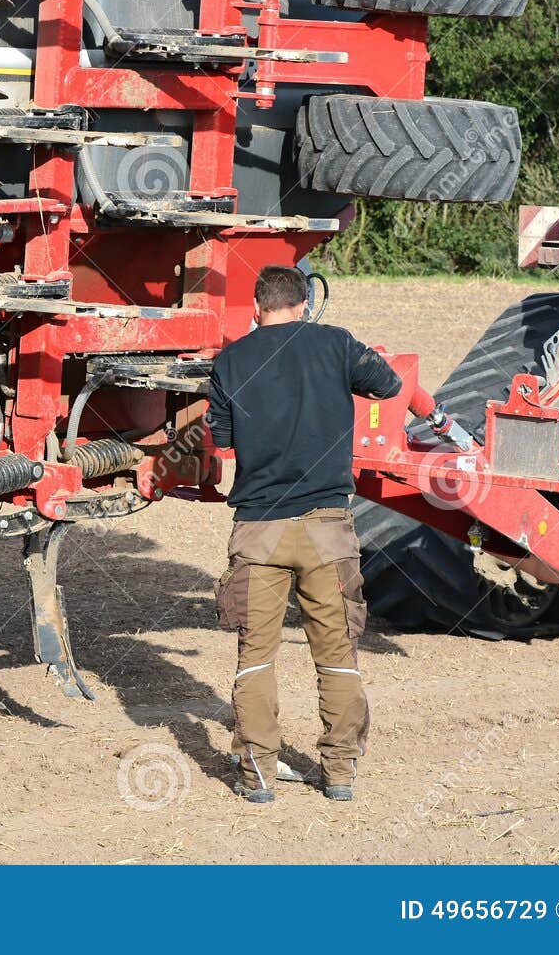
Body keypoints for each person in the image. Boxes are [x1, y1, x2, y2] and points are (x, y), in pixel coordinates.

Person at [206, 264, 402, 804]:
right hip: (326, 531)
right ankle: (339, 774)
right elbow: (388, 384)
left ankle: (259, 776)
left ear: (256, 307)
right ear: (303, 303)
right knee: (337, 654)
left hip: (259, 531)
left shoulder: (230, 360)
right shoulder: (334, 344)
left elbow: (220, 438)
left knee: (257, 657)